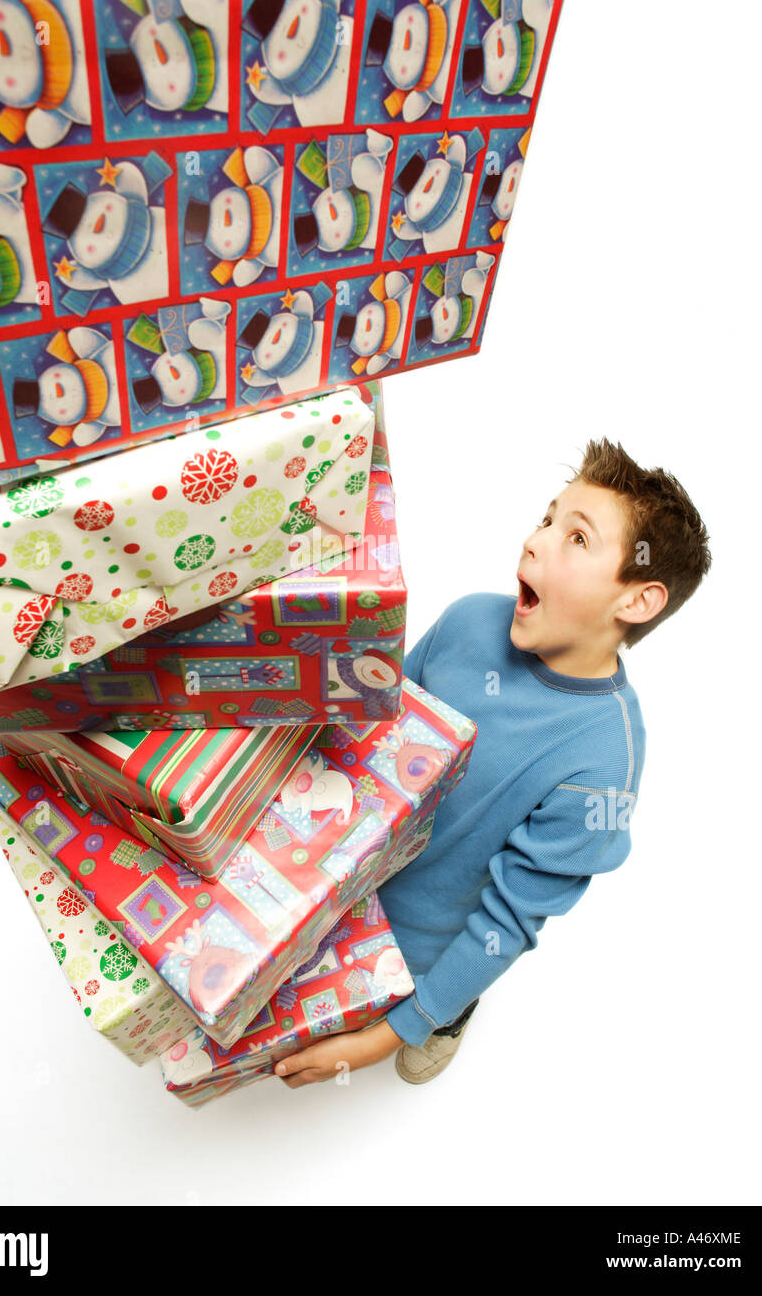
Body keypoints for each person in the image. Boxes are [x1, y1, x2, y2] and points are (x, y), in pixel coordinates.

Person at [275, 438, 711, 1088]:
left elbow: (507, 921)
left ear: (636, 601)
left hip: (413, 948)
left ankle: (448, 1011)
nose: (535, 542)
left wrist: (396, 1029)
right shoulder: (471, 618)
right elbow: (380, 724)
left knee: (440, 990)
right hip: (342, 873)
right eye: (547, 519)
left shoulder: (603, 765)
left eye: (578, 539)